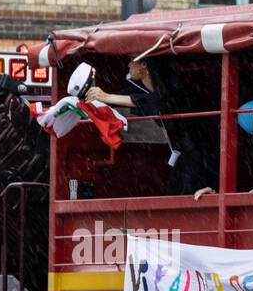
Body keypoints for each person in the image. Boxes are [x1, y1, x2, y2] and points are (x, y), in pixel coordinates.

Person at [85, 56, 217, 195]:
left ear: (144, 65)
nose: (129, 64)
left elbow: (157, 101)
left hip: (200, 152)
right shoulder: (142, 90)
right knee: (173, 193)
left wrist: (106, 97)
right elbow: (124, 98)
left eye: (132, 60)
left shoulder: (174, 89)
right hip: (182, 154)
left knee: (187, 192)